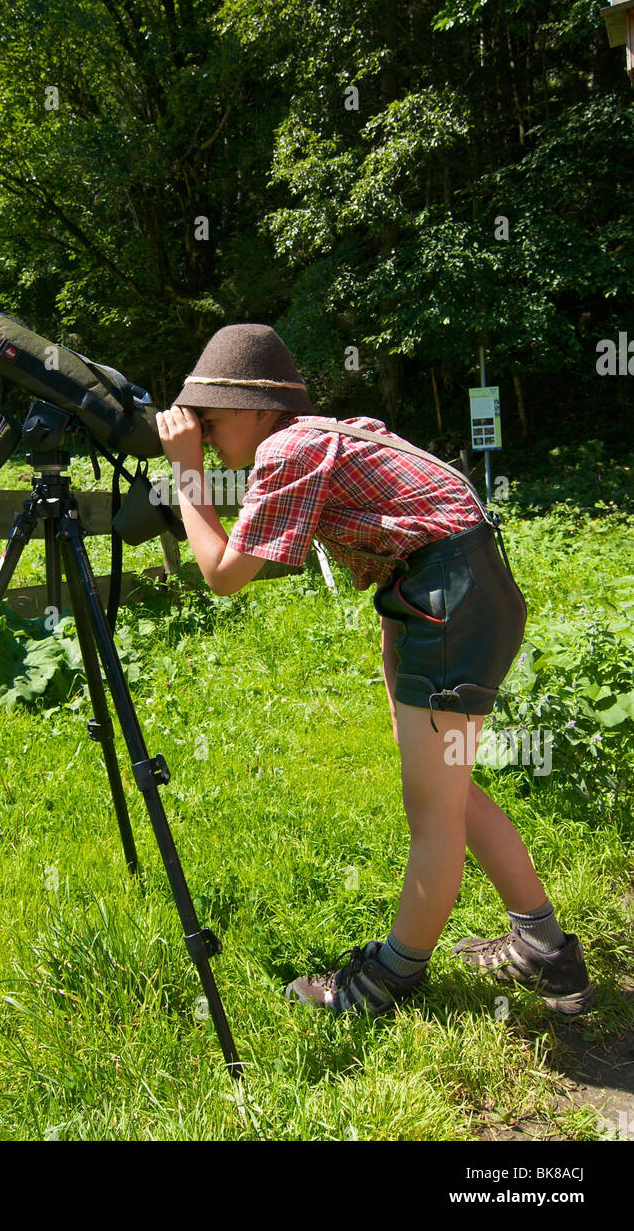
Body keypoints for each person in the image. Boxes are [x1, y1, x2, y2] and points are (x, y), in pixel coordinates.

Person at [155, 322, 595, 1019]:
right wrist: (398, 626)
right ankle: (543, 951)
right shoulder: (326, 433)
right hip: (447, 594)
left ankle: (386, 981)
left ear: (253, 409)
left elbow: (222, 574)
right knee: (449, 794)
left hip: (446, 599)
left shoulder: (286, 447)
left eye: (207, 422)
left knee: (431, 815)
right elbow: (409, 524)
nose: (203, 437)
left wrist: (183, 473)